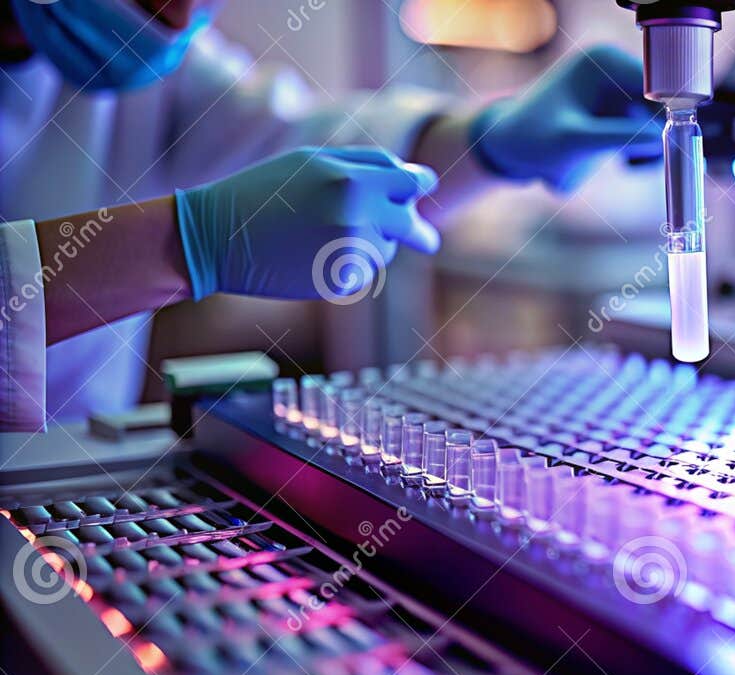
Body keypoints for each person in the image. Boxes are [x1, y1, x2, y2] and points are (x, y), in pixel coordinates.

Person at [0, 0, 655, 431]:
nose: (180, 13)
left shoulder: (147, 63)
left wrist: (489, 143)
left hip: (59, 492)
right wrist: (183, 244)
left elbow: (305, 147)